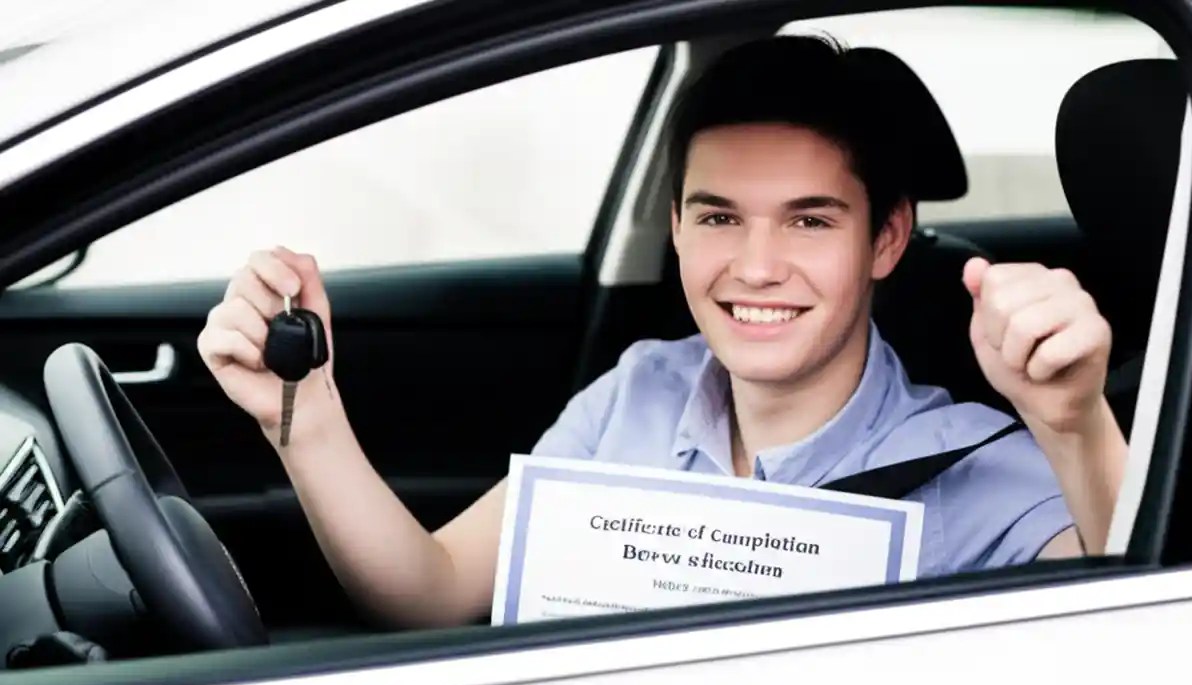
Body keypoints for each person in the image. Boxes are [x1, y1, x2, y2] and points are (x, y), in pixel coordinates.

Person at [196, 34, 1128, 630]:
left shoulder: (979, 466)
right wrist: (303, 417)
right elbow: (434, 593)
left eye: (809, 221)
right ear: (675, 226)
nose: (756, 266)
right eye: (719, 217)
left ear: (886, 239)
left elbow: (1151, 629)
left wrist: (1075, 425)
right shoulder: (637, 392)